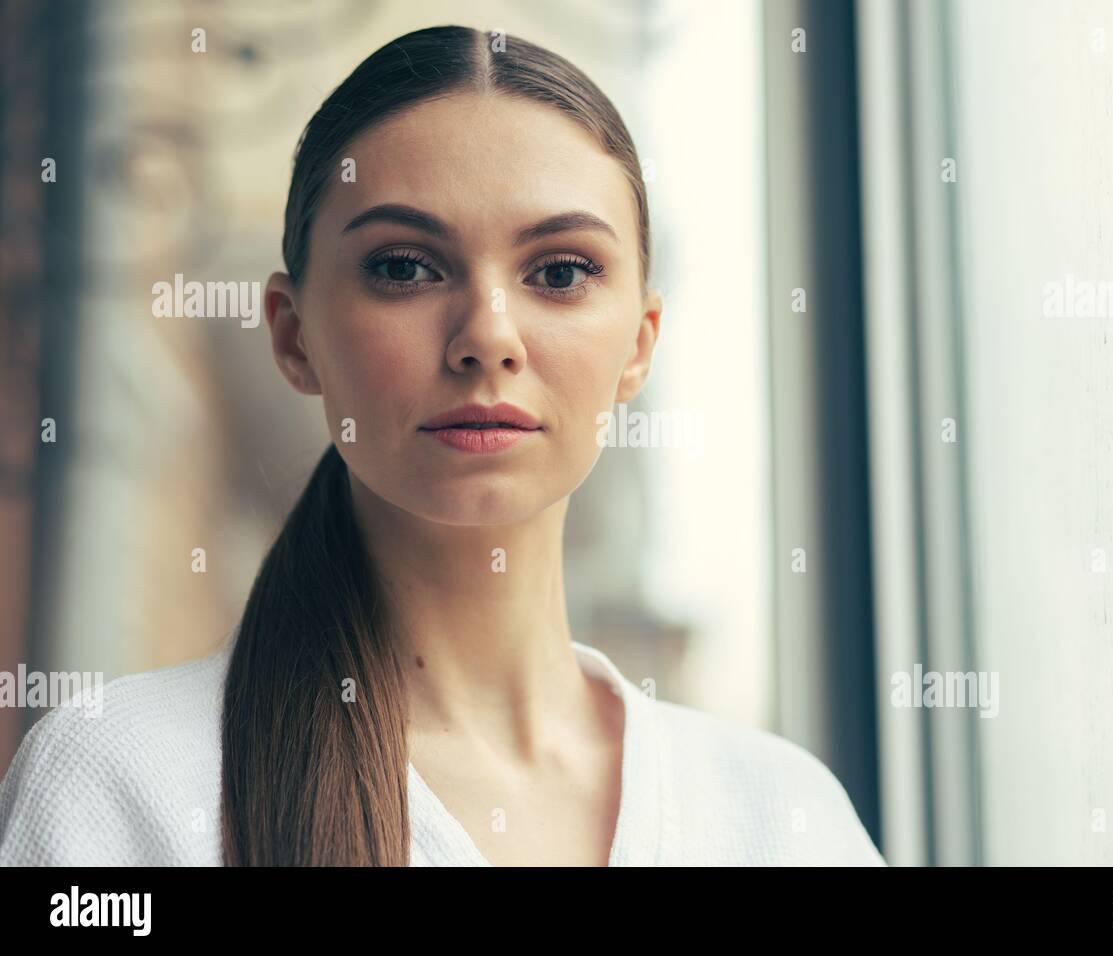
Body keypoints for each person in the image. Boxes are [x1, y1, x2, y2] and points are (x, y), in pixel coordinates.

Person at [0, 24, 886, 867]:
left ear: (641, 345)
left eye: (561, 273)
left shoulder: (781, 815)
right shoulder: (119, 784)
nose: (487, 337)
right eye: (403, 267)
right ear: (292, 334)